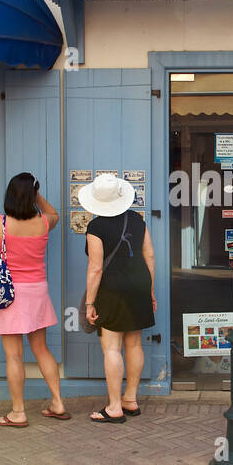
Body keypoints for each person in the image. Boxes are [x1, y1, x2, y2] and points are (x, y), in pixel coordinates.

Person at [0, 173, 67, 427]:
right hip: (37, 291)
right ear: (32, 196)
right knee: (41, 349)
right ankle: (58, 402)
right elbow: (54, 213)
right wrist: (35, 194)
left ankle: (18, 412)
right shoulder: (44, 223)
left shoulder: (1, 225)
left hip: (10, 294)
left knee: (14, 355)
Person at [80, 173, 156, 423]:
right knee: (134, 344)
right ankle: (130, 399)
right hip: (139, 286)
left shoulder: (96, 227)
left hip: (112, 290)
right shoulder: (137, 220)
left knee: (112, 347)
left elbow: (96, 268)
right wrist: (151, 291)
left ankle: (114, 407)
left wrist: (90, 303)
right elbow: (150, 257)